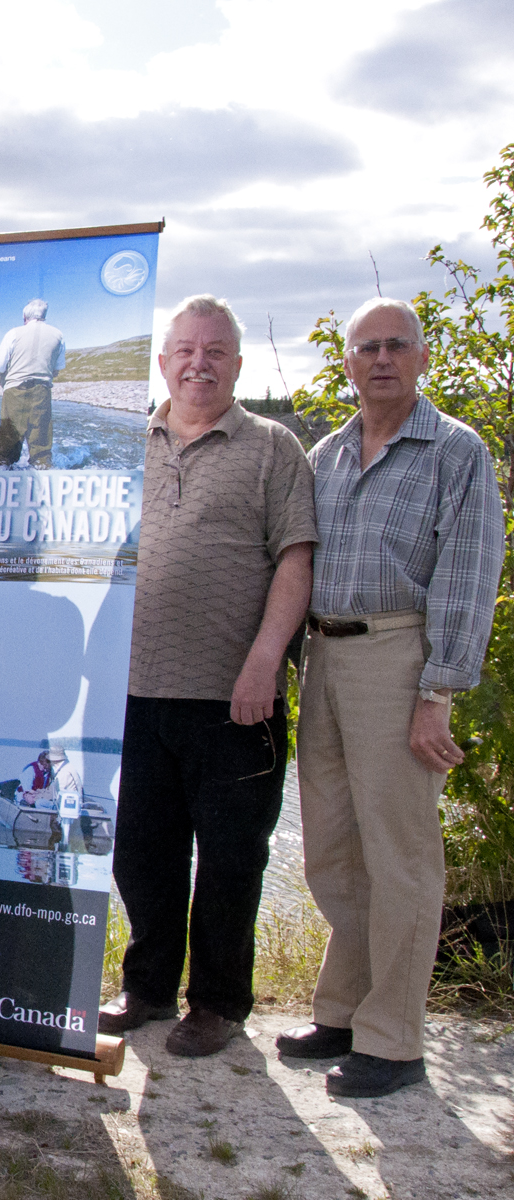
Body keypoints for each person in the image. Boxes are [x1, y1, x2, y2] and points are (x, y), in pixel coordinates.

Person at [281, 297, 503, 1097]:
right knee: (334, 849)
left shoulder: (455, 450)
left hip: (400, 656)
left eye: (396, 346)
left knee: (401, 853)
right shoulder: (328, 454)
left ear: (421, 358)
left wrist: (438, 691)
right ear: (346, 362)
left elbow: (470, 577)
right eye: (366, 347)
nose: (381, 358)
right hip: (325, 656)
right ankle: (342, 1010)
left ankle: (395, 1040)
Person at [103, 294, 317, 1058]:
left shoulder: (272, 448)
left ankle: (219, 1002)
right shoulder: (126, 445)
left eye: (216, 351)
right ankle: (150, 988)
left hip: (235, 697)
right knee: (141, 850)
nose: (200, 362)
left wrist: (265, 661)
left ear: (235, 364)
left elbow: (296, 557)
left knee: (230, 857)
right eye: (186, 349)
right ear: (163, 361)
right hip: (133, 690)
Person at [0, 299, 66, 468]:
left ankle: (3, 475)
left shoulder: (13, 334)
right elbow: (56, 371)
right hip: (42, 393)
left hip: (15, 393)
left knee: (8, 445)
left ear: (25, 316)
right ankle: (42, 472)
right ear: (44, 316)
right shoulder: (58, 335)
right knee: (41, 445)